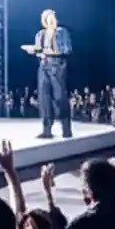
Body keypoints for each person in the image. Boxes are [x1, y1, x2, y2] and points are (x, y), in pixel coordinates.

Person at [25, 9, 74, 139]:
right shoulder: (40, 34)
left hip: (57, 67)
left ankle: (66, 129)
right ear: (45, 21)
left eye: (54, 19)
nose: (53, 22)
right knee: (44, 99)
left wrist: (47, 51)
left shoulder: (62, 32)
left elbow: (66, 49)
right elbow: (39, 51)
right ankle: (47, 130)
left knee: (60, 97)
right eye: (50, 20)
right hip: (43, 66)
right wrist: (35, 51)